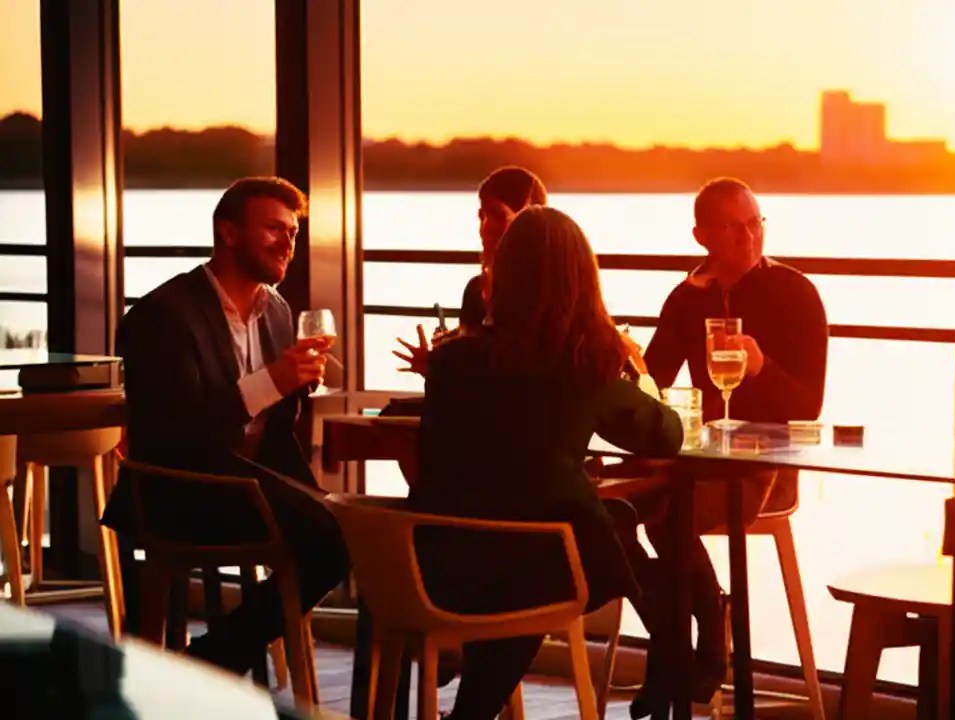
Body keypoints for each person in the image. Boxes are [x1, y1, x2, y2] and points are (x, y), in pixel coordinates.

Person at [409, 205, 683, 720]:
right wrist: (637, 373)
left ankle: (470, 713)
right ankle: (681, 654)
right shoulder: (584, 364)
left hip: (433, 561)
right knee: (576, 550)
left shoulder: (449, 361)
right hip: (523, 569)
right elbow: (665, 434)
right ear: (582, 281)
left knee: (593, 532)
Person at [102, 177, 350, 677]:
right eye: (274, 229)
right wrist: (274, 380)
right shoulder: (163, 315)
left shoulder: (277, 311)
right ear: (229, 233)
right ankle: (219, 659)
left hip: (252, 482)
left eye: (294, 233)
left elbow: (275, 426)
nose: (287, 243)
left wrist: (296, 387)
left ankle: (213, 658)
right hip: (183, 489)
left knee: (353, 528)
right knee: (331, 536)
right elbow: (176, 433)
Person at [621, 177, 829, 714]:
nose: (748, 236)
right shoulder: (688, 297)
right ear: (702, 236)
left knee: (666, 517)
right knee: (616, 512)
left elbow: (809, 406)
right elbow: (652, 380)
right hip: (695, 460)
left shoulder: (796, 293)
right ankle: (692, 633)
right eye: (733, 227)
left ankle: (692, 646)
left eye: (755, 222)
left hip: (766, 466)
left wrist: (761, 369)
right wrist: (616, 359)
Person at [393, 166, 548, 378]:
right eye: (481, 216)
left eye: (497, 215)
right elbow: (470, 373)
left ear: (531, 222)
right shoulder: (476, 289)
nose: (483, 229)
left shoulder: (549, 292)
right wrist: (434, 365)